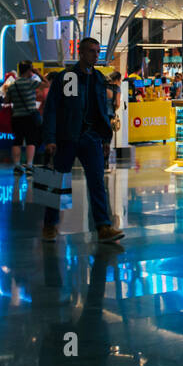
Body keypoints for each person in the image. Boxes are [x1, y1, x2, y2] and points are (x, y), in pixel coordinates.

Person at [41, 37, 124, 244]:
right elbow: (52, 109)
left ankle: (103, 226)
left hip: (90, 137)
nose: (95, 55)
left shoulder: (97, 78)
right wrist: (50, 138)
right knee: (58, 181)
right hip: (67, 137)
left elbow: (101, 110)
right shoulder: (67, 78)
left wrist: (105, 138)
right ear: (81, 53)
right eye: (91, 51)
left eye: (97, 51)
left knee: (97, 182)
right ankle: (50, 224)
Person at [6, 61, 41, 175]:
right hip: (30, 116)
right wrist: (38, 73)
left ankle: (17, 166)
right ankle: (29, 165)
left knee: (17, 141)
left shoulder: (13, 85)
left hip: (16, 117)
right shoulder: (31, 83)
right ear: (29, 70)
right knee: (31, 141)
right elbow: (47, 84)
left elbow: (7, 100)